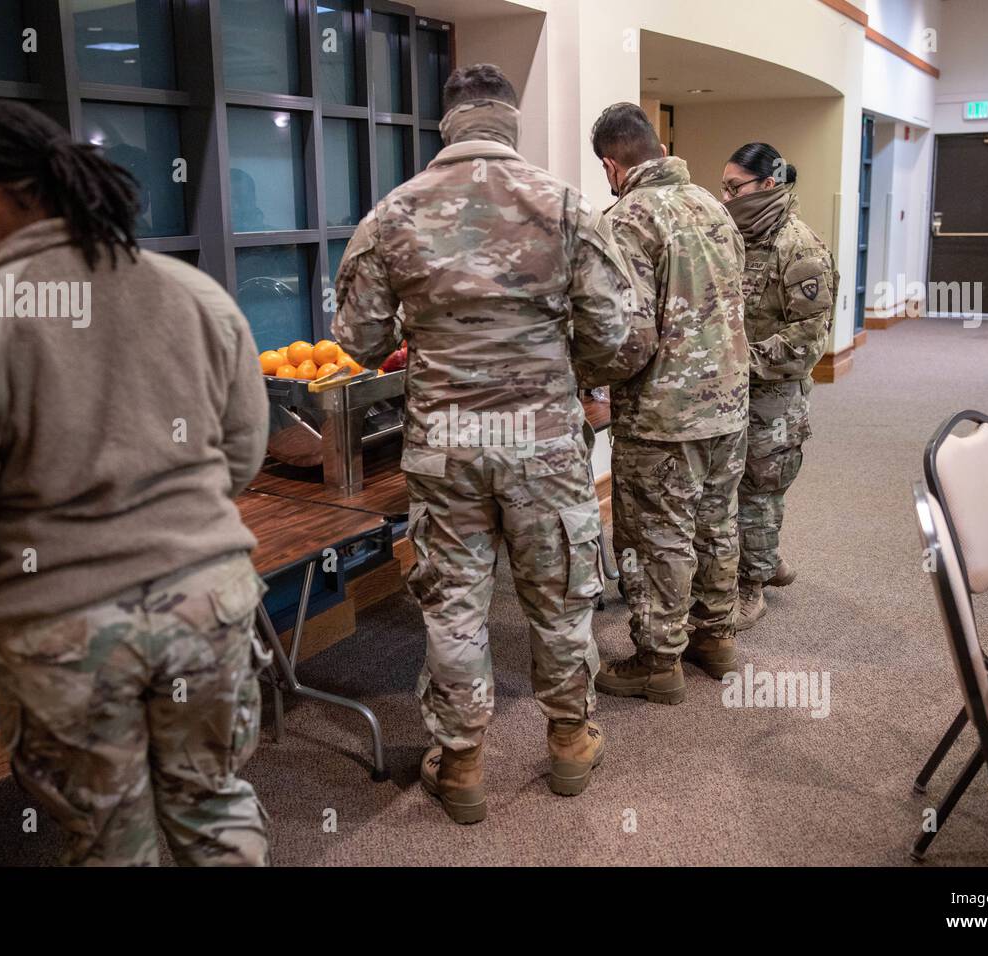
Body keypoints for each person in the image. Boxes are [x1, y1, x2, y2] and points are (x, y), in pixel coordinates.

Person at [0, 100, 272, 866]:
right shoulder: (194, 295)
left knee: (114, 839)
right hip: (209, 608)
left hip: (66, 635)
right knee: (215, 806)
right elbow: (241, 454)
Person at [332, 64, 652, 824]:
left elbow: (359, 340)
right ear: (512, 120)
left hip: (445, 447)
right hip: (543, 443)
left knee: (455, 605)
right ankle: (571, 742)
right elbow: (616, 338)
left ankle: (464, 761)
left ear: (446, 123)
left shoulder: (393, 213)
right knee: (561, 596)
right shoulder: (567, 206)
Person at [586, 104, 749, 689]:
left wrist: (587, 379)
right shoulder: (712, 205)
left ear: (612, 163)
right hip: (728, 404)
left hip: (663, 415)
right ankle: (716, 638)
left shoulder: (628, 218)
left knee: (658, 534)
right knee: (715, 522)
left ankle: (658, 663)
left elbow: (626, 338)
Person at [719, 143, 838, 630]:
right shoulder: (734, 236)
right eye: (723, 186)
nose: (724, 196)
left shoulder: (798, 246)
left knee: (761, 487)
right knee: (733, 487)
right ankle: (766, 558)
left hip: (774, 395)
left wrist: (738, 359)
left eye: (734, 187)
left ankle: (752, 584)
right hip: (733, 391)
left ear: (768, 185)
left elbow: (809, 339)